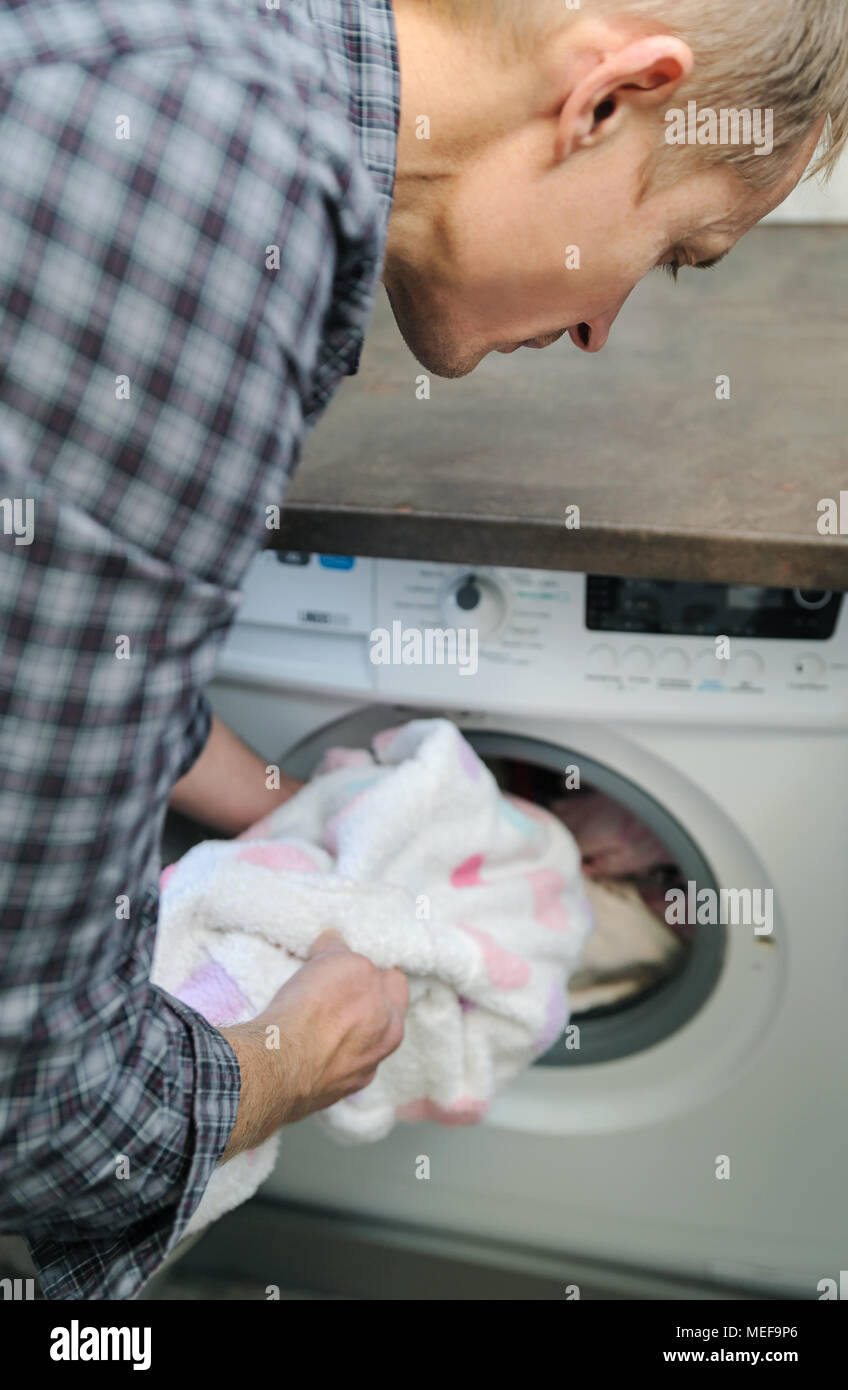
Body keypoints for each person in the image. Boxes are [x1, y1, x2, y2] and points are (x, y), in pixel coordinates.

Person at [0, 0, 844, 1299]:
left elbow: (50, 643)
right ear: (607, 99)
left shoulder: (197, 78)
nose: (602, 326)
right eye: (677, 248)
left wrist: (297, 800)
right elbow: (37, 1112)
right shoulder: (214, 192)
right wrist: (292, 1059)